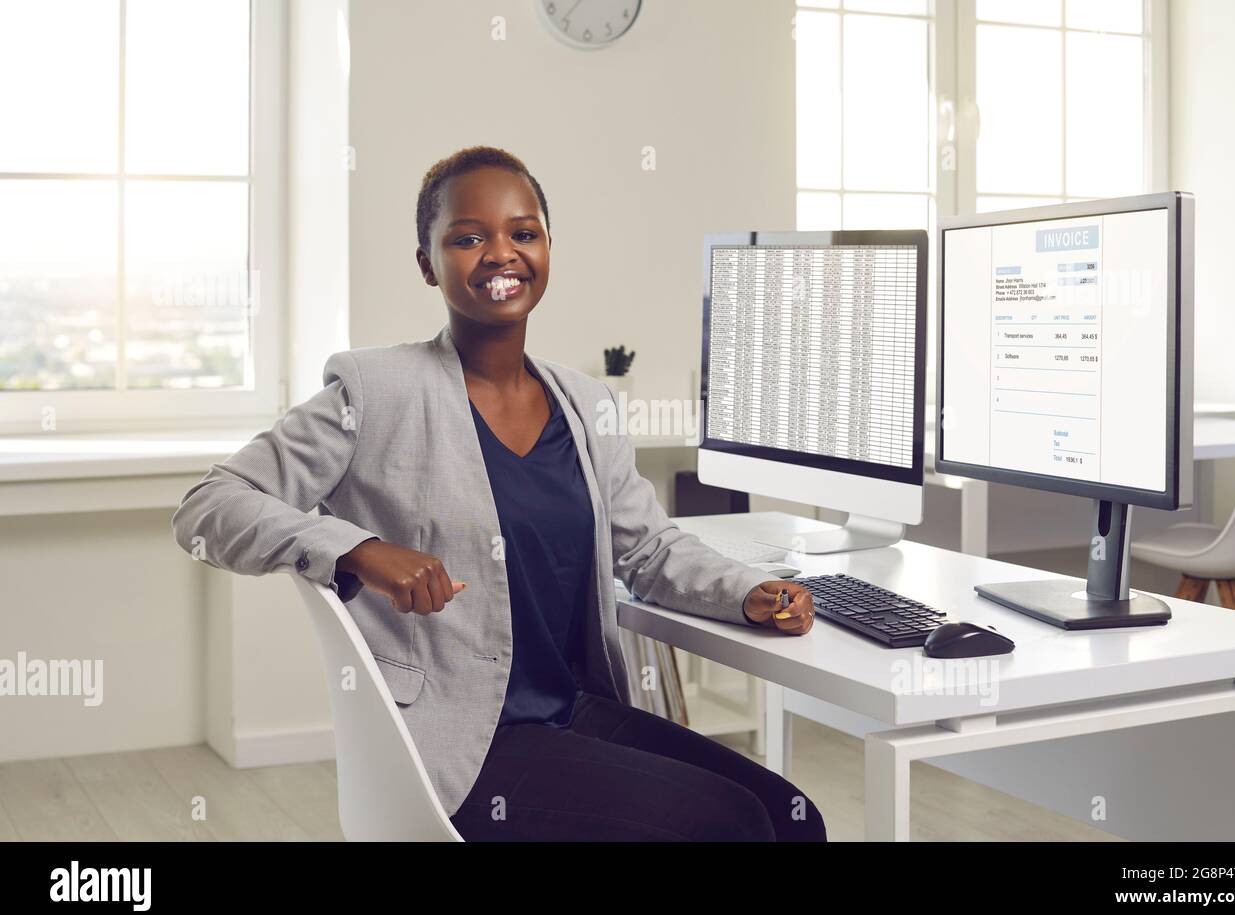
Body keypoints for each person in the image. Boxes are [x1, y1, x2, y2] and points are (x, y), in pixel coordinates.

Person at [173, 145, 825, 842]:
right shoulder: (377, 392)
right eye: (467, 237)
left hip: (574, 711)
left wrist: (747, 592)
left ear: (547, 247)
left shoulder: (584, 402)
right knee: (732, 825)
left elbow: (648, 549)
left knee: (793, 819)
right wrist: (359, 549)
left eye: (523, 232)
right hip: (465, 747)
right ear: (427, 262)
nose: (499, 253)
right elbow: (209, 506)